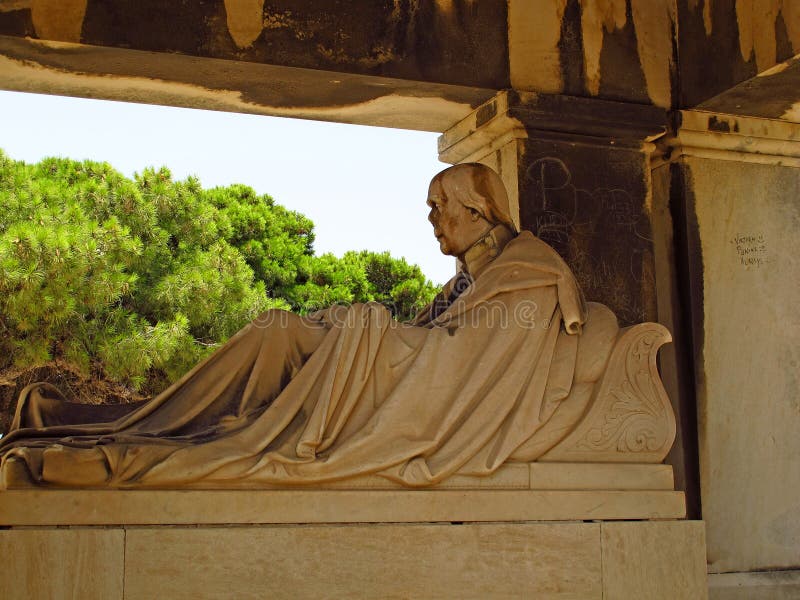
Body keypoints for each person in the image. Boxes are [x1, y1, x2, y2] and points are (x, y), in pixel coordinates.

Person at [0, 163, 623, 489]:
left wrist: (373, 329)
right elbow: (440, 344)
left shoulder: (530, 274)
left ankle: (115, 427)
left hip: (403, 401)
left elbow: (462, 375)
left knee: (275, 336)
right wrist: (373, 329)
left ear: (477, 209)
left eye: (438, 207)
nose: (430, 218)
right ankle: (115, 422)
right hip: (387, 378)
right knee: (273, 337)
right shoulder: (468, 276)